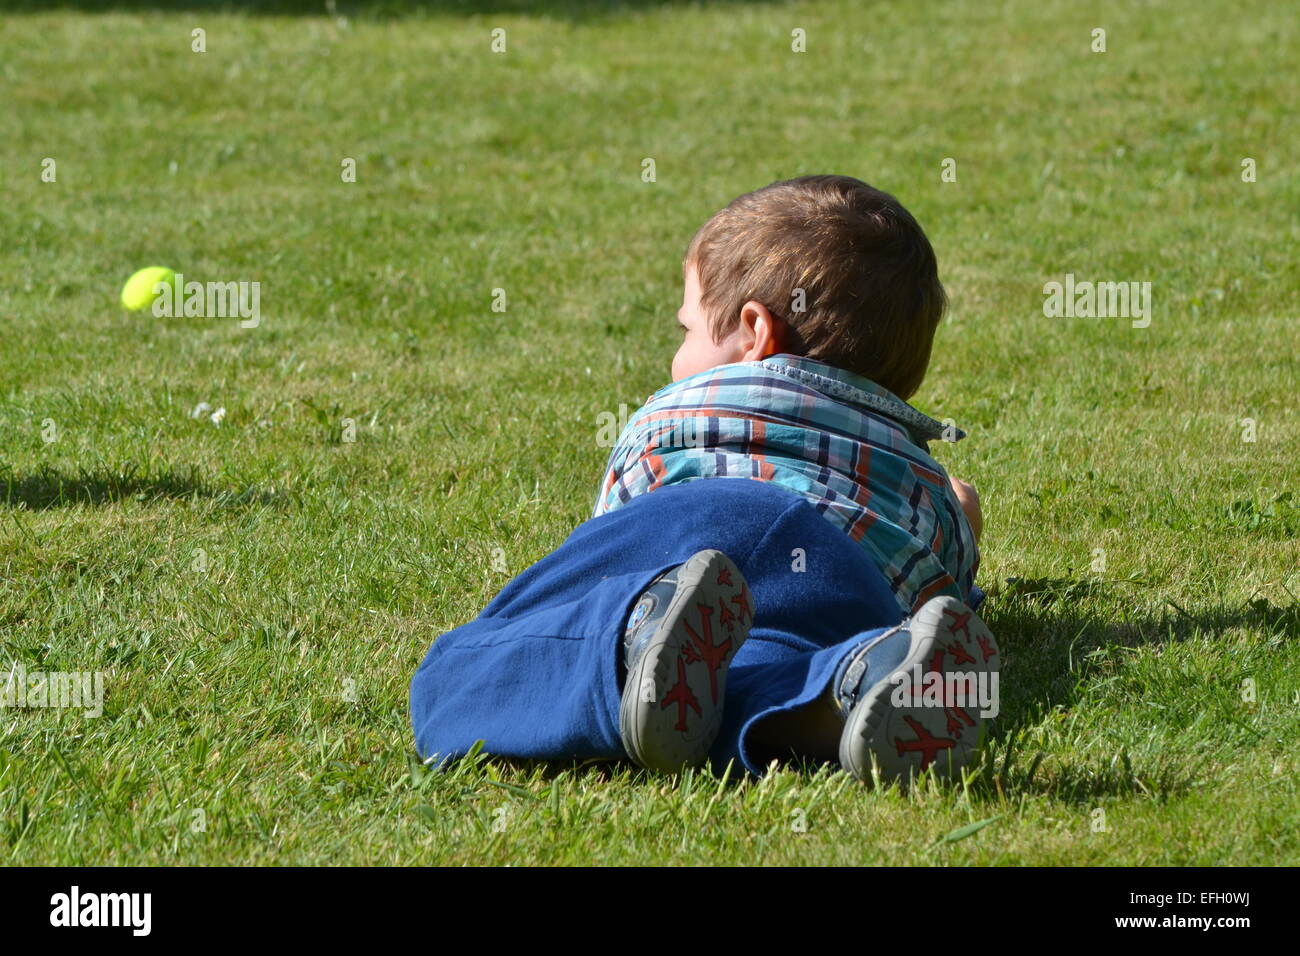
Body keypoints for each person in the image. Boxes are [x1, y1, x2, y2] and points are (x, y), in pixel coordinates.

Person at [410, 175, 999, 785]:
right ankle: (854, 680)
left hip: (690, 530)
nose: (678, 354)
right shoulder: (921, 477)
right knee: (759, 673)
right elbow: (943, 593)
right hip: (839, 583)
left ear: (754, 331)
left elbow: (614, 528)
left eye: (686, 329)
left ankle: (633, 637)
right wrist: (963, 522)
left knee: (452, 675)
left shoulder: (680, 409)